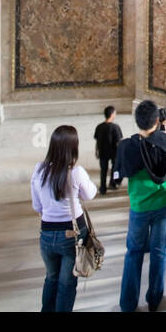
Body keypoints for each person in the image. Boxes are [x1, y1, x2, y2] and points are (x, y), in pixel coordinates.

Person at [116, 100, 166, 312]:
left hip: (139, 207)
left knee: (133, 253)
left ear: (137, 122)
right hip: (163, 205)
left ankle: (127, 304)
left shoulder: (126, 146)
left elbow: (122, 171)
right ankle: (154, 299)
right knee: (159, 251)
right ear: (157, 121)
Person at [30, 125, 97, 312]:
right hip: (72, 235)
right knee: (66, 283)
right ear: (73, 148)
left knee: (51, 277)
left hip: (47, 234)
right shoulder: (76, 172)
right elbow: (90, 194)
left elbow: (37, 206)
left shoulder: (38, 170)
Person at [93, 106, 123, 193]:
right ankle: (112, 183)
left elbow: (97, 140)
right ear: (112, 114)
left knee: (103, 170)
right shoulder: (115, 127)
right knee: (114, 168)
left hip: (102, 152)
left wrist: (97, 150)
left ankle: (103, 188)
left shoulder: (99, 127)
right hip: (113, 152)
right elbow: (118, 142)